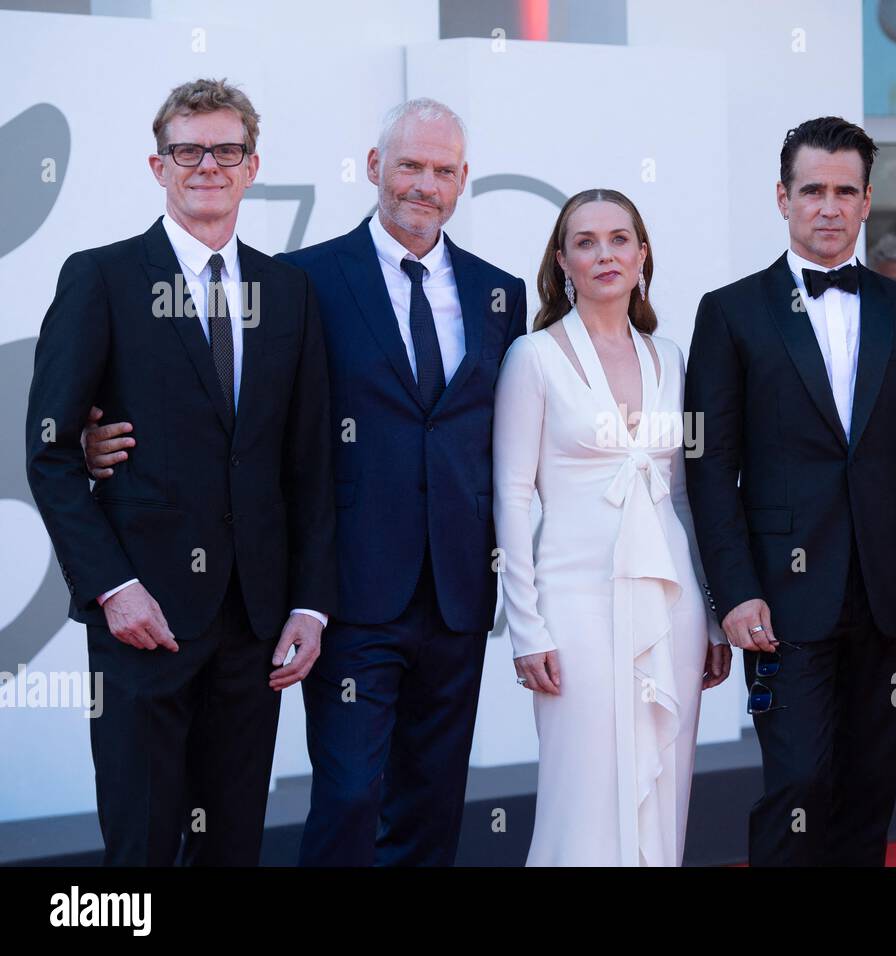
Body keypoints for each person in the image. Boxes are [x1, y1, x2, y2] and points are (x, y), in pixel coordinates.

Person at [83, 98, 528, 866]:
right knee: (351, 793)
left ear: (462, 183)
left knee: (433, 798)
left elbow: (518, 435)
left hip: (458, 590)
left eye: (443, 171)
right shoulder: (301, 282)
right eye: (410, 166)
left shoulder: (500, 292)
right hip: (351, 588)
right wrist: (105, 440)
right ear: (373, 170)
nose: (425, 184)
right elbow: (251, 425)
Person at [26, 78, 335, 866]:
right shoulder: (99, 278)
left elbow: (309, 463)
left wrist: (309, 604)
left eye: (225, 150)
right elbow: (53, 452)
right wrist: (112, 586)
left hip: (253, 624)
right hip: (143, 620)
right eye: (187, 150)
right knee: (142, 845)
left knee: (232, 846)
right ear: (157, 166)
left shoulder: (289, 291)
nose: (207, 165)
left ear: (251, 164)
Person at [685, 117, 896, 867]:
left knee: (871, 790)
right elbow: (709, 465)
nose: (829, 207)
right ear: (783, 196)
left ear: (868, 201)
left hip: (890, 590)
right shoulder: (731, 311)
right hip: (782, 596)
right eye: (813, 190)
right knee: (798, 783)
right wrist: (732, 592)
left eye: (846, 191)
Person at [493, 189, 731, 866]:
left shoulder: (671, 359)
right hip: (574, 603)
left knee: (665, 781)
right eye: (587, 241)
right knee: (585, 783)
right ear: (563, 260)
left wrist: (713, 617)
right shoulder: (532, 358)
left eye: (620, 239)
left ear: (643, 254)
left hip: (671, 601)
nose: (606, 254)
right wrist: (526, 625)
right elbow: (511, 497)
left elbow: (686, 498)